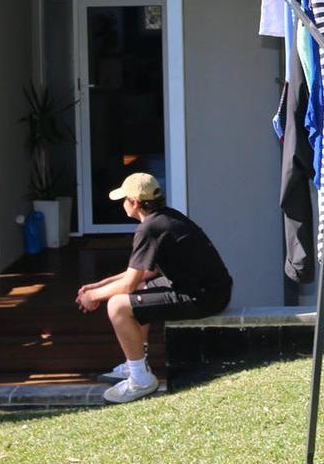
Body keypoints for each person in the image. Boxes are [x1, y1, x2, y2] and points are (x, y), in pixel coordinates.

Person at [77, 173, 232, 403]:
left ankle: (140, 379)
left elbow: (129, 284)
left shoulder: (149, 228)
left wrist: (93, 296)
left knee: (117, 305)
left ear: (136, 202)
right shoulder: (164, 218)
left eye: (125, 199)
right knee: (139, 289)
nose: (123, 204)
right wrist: (101, 285)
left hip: (203, 296)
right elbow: (143, 273)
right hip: (208, 290)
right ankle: (137, 363)